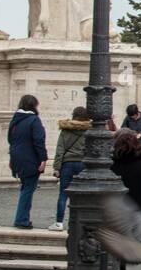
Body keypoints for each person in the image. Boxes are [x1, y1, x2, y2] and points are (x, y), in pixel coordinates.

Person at [8, 94, 47, 230]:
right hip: (30, 159)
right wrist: (43, 159)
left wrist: (12, 159)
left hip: (17, 158)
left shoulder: (15, 119)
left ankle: (22, 218)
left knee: (26, 188)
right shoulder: (33, 120)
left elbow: (10, 140)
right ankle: (22, 219)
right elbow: (39, 141)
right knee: (28, 189)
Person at [50, 105, 92, 230]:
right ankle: (82, 222)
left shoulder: (65, 130)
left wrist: (57, 167)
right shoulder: (89, 131)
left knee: (63, 193)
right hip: (83, 164)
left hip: (67, 163)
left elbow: (60, 150)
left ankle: (59, 222)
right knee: (83, 194)